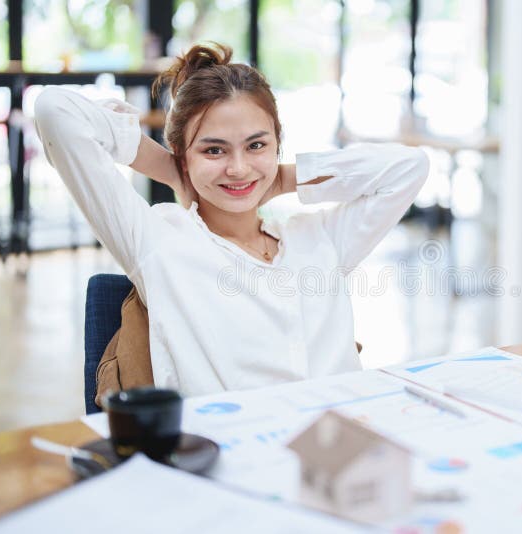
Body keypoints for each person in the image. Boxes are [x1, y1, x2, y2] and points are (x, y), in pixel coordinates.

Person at [34, 43, 429, 397]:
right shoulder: (159, 241)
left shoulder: (320, 239)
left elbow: (408, 168)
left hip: (339, 450)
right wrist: (173, 171)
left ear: (278, 143)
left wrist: (278, 180)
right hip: (233, 456)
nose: (238, 169)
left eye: (256, 145)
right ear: (182, 153)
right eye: (213, 151)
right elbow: (55, 110)